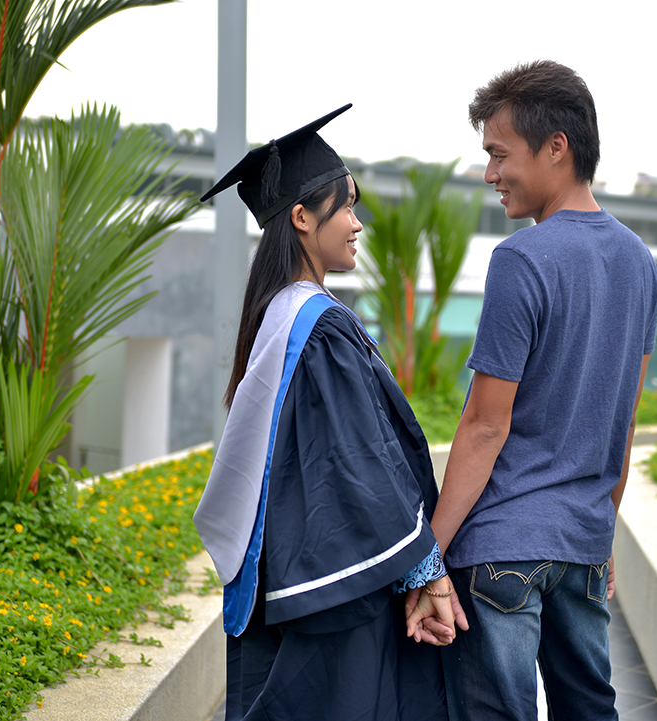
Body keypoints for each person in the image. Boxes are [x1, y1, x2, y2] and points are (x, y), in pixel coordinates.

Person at [194, 104, 463, 721]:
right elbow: (359, 459)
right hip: (336, 591)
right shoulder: (318, 328)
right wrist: (427, 568)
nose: (357, 223)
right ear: (300, 217)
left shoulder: (276, 316)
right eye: (345, 207)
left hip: (296, 575)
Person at [420, 61, 657, 720]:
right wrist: (601, 532)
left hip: (501, 545)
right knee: (591, 708)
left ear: (557, 145)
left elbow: (483, 427)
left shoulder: (521, 260)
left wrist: (427, 554)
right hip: (583, 541)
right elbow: (624, 421)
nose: (491, 174)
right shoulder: (641, 264)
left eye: (499, 155)